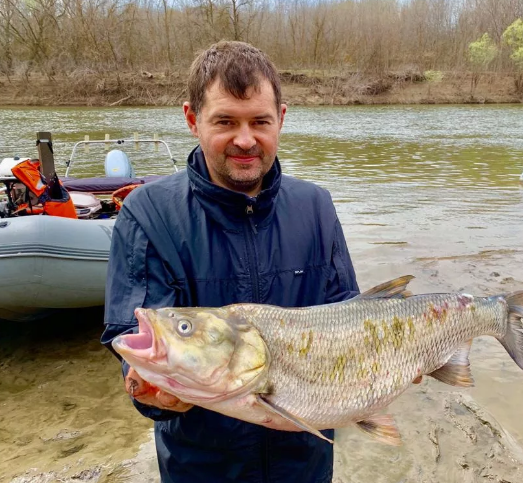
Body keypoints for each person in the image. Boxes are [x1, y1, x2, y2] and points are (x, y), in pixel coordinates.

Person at [100, 41, 360, 483]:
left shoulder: (316, 206)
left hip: (305, 464)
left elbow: (350, 314)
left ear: (280, 118)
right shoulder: (148, 214)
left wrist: (398, 361)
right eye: (225, 121)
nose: (245, 139)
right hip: (201, 468)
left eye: (259, 121)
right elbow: (133, 337)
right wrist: (150, 392)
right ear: (191, 119)